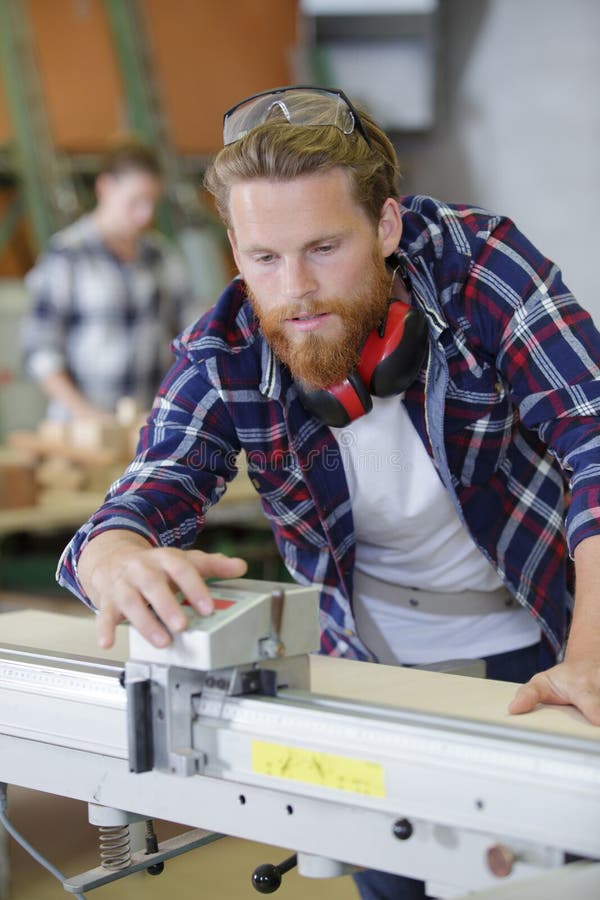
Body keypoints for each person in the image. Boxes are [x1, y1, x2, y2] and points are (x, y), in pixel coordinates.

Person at [57, 86, 600, 900]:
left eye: (323, 247)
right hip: (364, 671)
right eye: (264, 258)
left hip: (541, 651)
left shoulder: (481, 266)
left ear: (386, 225)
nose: (296, 291)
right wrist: (114, 558)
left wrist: (592, 659)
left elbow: (593, 440)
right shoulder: (227, 349)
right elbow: (145, 493)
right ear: (234, 247)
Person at [22, 139, 195, 422]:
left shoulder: (163, 257)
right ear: (105, 188)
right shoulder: (67, 255)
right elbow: (40, 350)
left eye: (152, 202)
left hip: (147, 424)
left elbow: (191, 338)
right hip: (80, 427)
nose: (146, 215)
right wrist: (85, 413)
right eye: (135, 202)